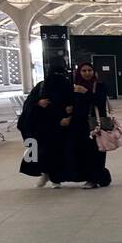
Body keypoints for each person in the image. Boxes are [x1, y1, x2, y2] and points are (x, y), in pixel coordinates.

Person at [16, 71, 73, 187]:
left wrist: (70, 113)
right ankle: (45, 174)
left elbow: (75, 103)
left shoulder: (66, 87)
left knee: (58, 153)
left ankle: (56, 178)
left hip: (61, 127)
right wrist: (38, 102)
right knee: (42, 152)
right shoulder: (41, 87)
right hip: (41, 127)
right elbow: (28, 104)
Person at [70, 60, 110, 188]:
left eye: (89, 70)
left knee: (97, 151)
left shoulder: (98, 85)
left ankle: (94, 179)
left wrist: (86, 92)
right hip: (80, 125)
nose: (87, 73)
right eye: (83, 71)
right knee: (84, 152)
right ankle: (100, 177)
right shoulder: (75, 86)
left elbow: (100, 102)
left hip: (95, 124)